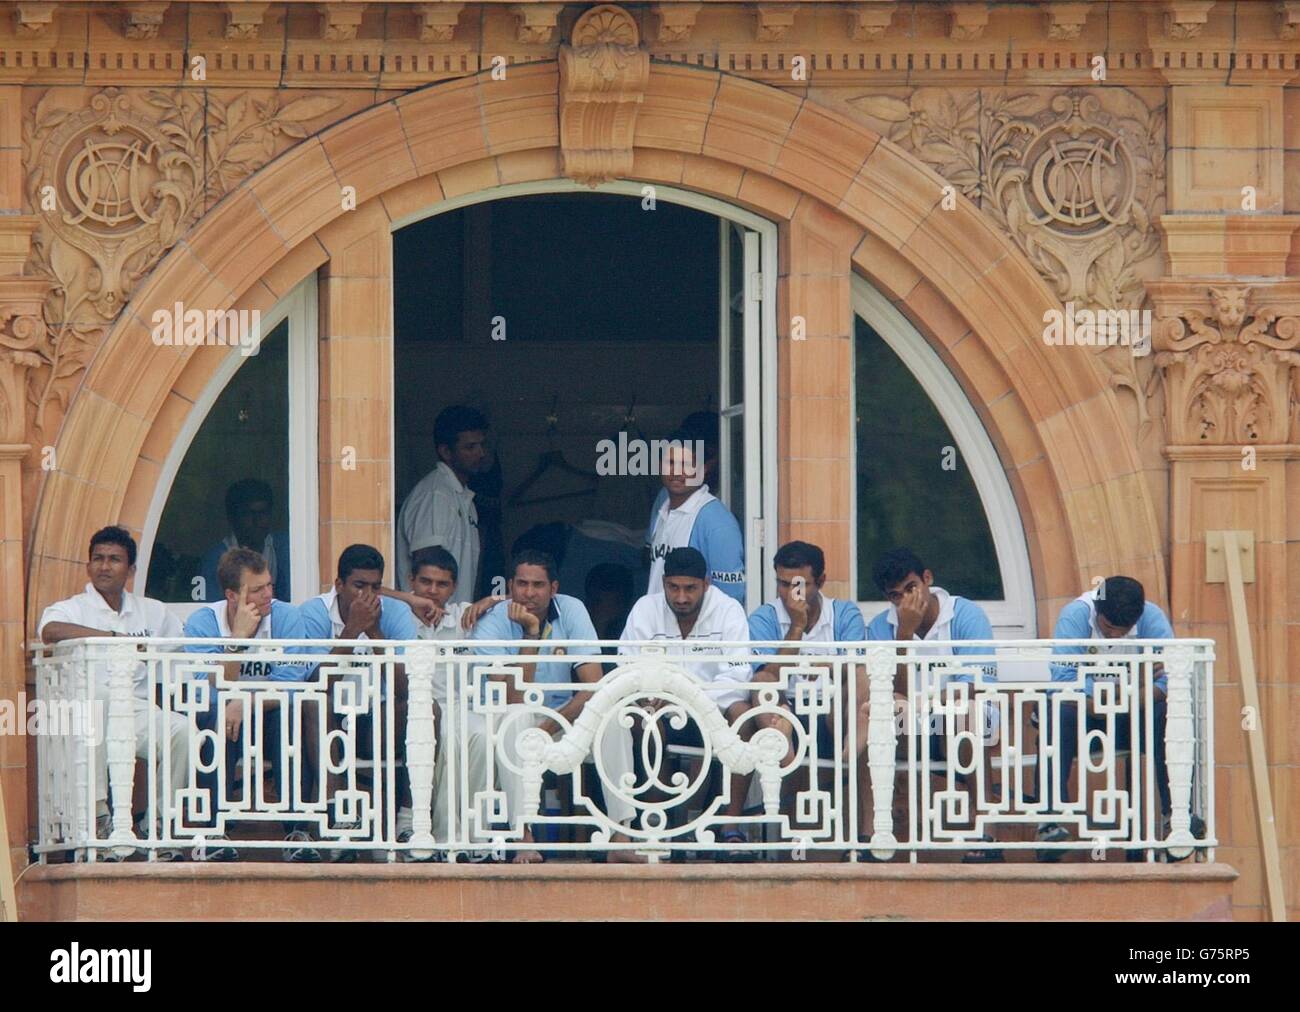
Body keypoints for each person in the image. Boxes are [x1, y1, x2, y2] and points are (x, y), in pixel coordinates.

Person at [470, 550, 643, 864]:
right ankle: (524, 838)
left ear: (554, 588)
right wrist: (530, 633)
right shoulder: (492, 621)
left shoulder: (571, 609)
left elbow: (593, 684)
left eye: (538, 585)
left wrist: (551, 725)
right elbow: (515, 696)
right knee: (516, 719)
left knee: (614, 718)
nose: (529, 593)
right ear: (510, 586)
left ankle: (622, 837)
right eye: (521, 584)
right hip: (508, 717)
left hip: (561, 717)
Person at [38, 526, 191, 861]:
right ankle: (99, 816)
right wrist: (110, 636)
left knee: (183, 732)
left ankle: (161, 825)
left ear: (131, 570)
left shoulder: (152, 611)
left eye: (114, 560)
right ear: (89, 565)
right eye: (98, 559)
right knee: (100, 699)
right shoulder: (74, 607)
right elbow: (50, 631)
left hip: (133, 711)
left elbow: (180, 648)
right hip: (84, 712)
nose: (104, 566)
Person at [1037, 576, 1193, 862]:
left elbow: (1174, 678)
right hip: (1086, 717)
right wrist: (1131, 688)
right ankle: (1050, 821)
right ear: (1097, 609)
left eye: (1124, 631)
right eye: (1109, 628)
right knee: (1057, 712)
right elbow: (1062, 682)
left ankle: (1177, 817)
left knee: (1170, 714)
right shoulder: (1076, 616)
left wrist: (1128, 697)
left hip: (1132, 714)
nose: (1115, 637)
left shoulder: (1151, 617)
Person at [864, 548, 1000, 862]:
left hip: (964, 720)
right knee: (876, 722)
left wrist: (924, 703)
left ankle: (985, 834)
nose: (906, 601)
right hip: (911, 728)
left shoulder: (965, 614)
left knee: (967, 717)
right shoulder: (883, 627)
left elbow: (975, 686)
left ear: (927, 579)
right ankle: (873, 837)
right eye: (896, 596)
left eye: (911, 588)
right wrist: (904, 635)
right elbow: (889, 692)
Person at [183, 547, 318, 862]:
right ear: (232, 595)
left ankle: (298, 831)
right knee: (215, 717)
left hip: (267, 712)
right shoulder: (203, 622)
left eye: (269, 585)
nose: (268, 594)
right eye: (257, 590)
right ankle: (212, 831)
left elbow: (292, 685)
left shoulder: (286, 617)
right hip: (222, 716)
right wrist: (237, 640)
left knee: (290, 716)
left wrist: (247, 702)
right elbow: (214, 685)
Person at [620, 547, 755, 859]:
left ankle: (729, 829)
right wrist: (655, 697)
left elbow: (739, 674)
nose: (681, 597)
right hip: (660, 711)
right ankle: (659, 828)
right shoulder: (645, 608)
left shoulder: (728, 609)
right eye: (674, 588)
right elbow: (627, 666)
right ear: (664, 583)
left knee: (744, 715)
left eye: (690, 588)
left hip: (715, 711)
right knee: (643, 717)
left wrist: (689, 697)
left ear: (707, 583)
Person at [298, 544, 418, 863]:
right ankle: (335, 818)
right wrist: (352, 630)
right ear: (339, 585)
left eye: (375, 587)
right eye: (359, 586)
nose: (368, 595)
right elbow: (315, 685)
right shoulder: (314, 612)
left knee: (425, 710)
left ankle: (407, 820)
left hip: (375, 718)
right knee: (314, 703)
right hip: (328, 718)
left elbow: (406, 690)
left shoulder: (394, 612)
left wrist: (375, 632)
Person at [400, 545, 501, 862]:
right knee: (444, 736)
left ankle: (474, 838)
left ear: (454, 587)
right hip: (411, 710)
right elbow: (375, 591)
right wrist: (408, 600)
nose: (432, 590)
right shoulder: (396, 615)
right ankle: (443, 838)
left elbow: (521, 600)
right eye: (425, 582)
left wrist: (492, 600)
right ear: (411, 581)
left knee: (482, 738)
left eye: (442, 584)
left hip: (462, 708)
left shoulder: (463, 616)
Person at [748, 540, 866, 771]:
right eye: (783, 584)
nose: (791, 593)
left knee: (862, 673)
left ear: (820, 581)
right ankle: (786, 757)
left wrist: (825, 666)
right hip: (786, 706)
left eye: (800, 585)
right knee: (762, 681)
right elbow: (766, 677)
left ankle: (851, 747)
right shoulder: (764, 617)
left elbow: (854, 670)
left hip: (836, 710)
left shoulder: (844, 613)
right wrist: (797, 627)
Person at [395, 406, 489, 600]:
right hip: (427, 624)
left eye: (481, 445)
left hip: (452, 623)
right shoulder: (435, 495)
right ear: (446, 451)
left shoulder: (463, 497)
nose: (480, 454)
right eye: (470, 447)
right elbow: (427, 563)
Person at [645, 430, 745, 605]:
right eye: (671, 463)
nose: (677, 472)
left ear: (703, 469)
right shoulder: (662, 506)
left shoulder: (717, 522)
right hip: (658, 625)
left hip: (696, 630)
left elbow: (730, 598)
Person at [199, 479, 291, 603]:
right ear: (233, 518)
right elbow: (215, 608)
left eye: (262, 513)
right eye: (248, 514)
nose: (256, 521)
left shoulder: (286, 548)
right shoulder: (215, 560)